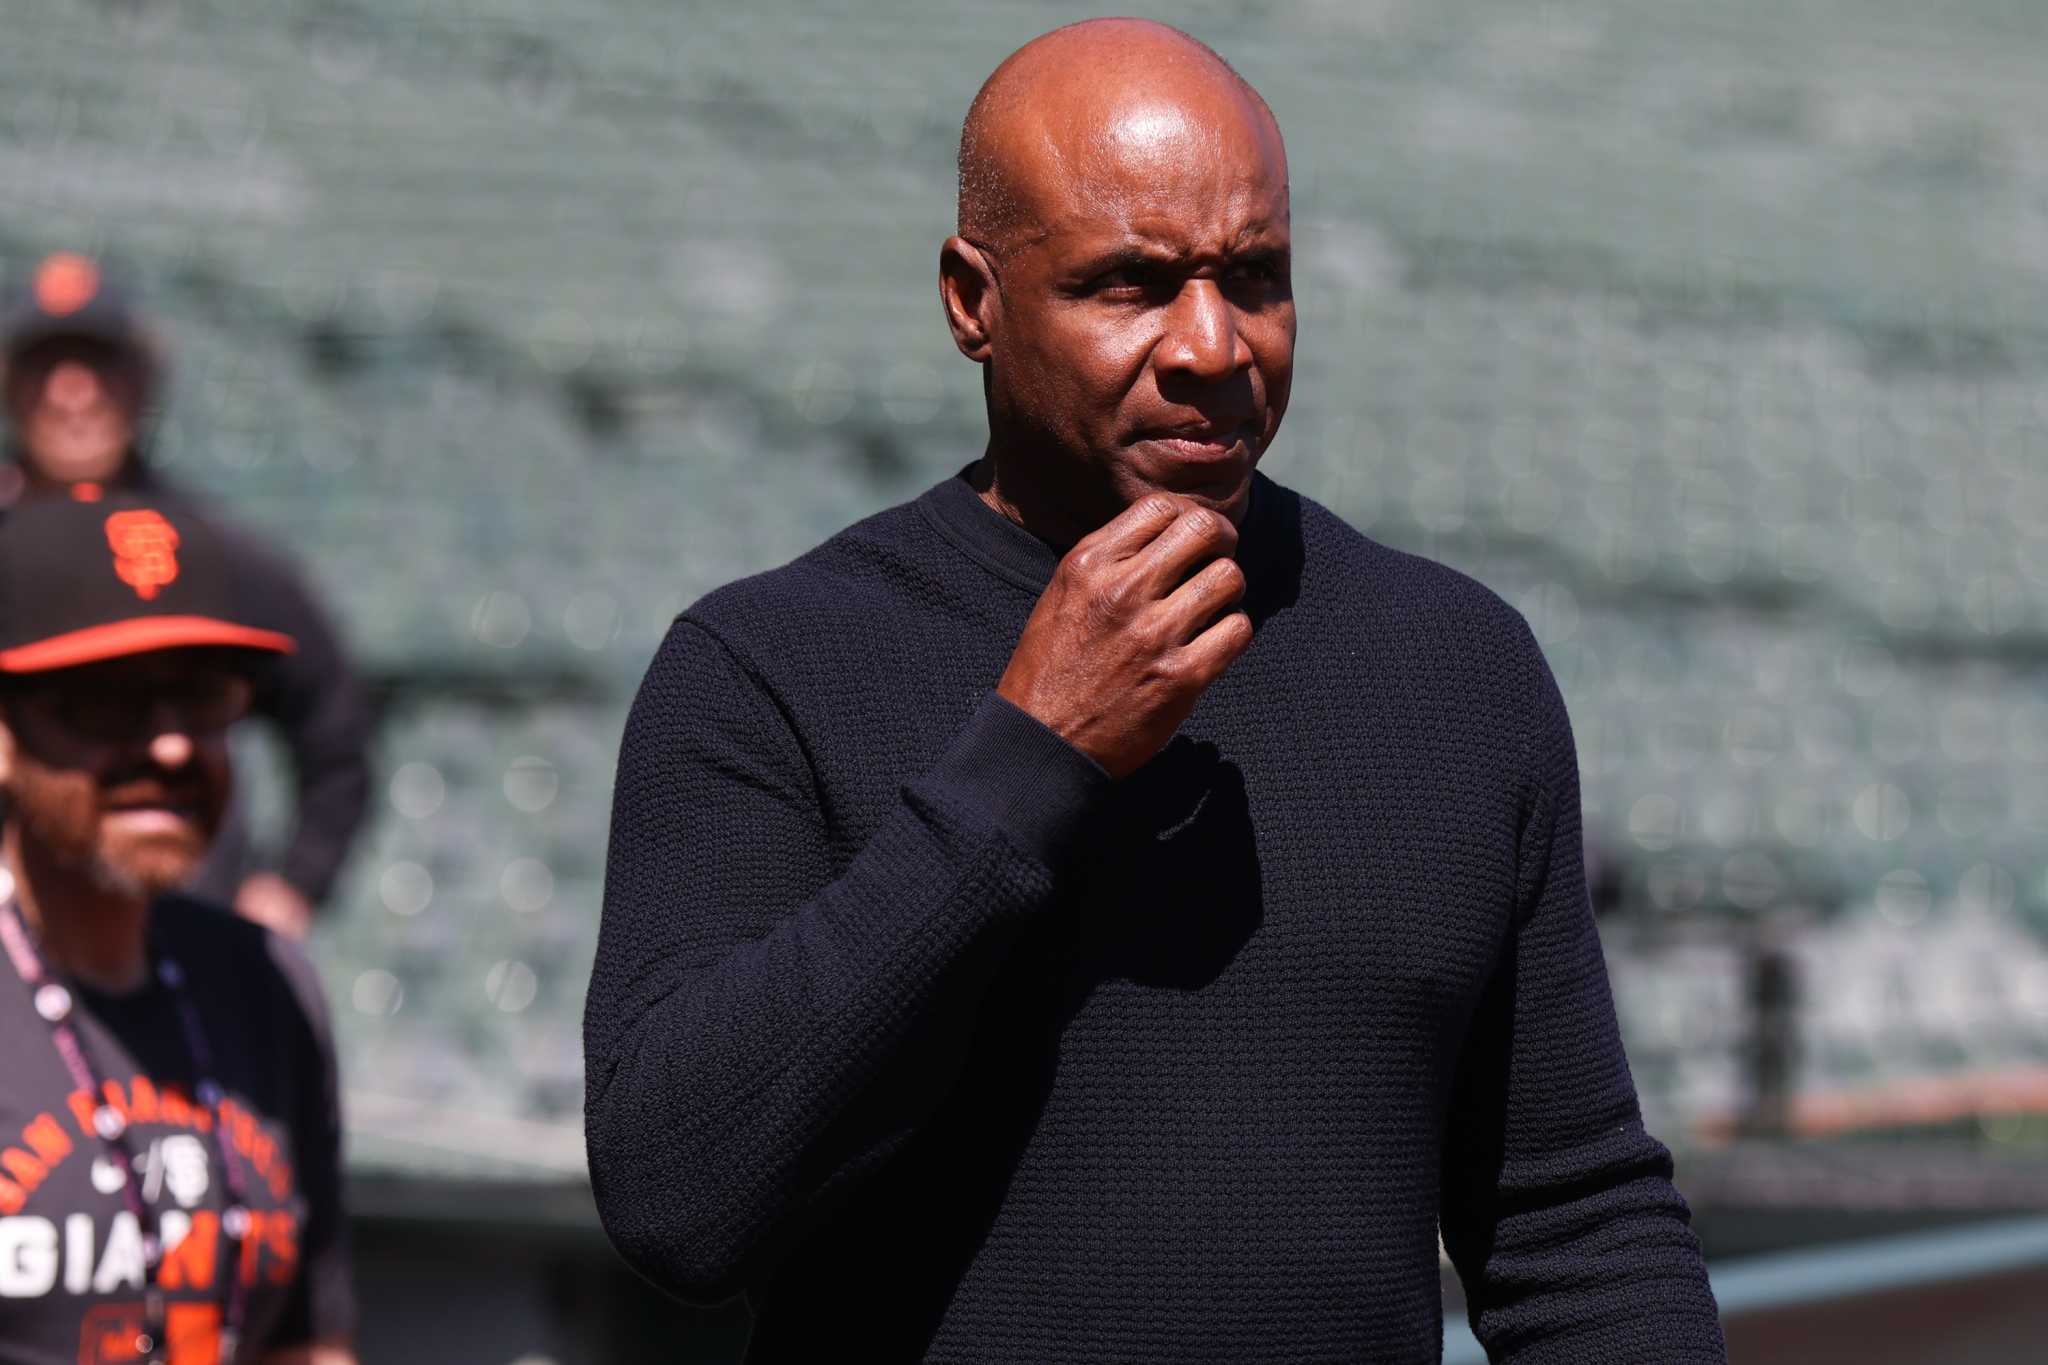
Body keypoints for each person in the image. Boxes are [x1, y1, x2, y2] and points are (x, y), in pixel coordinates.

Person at [585, 18, 1725, 1363]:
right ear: (971, 302)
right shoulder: (767, 667)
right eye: (1130, 285)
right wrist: (1027, 759)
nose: (1211, 345)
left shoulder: (1455, 667)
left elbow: (1574, 1228)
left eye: (1255, 277)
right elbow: (678, 1201)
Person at [0, 490, 357, 1364]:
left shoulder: (266, 980)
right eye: (106, 701)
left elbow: (308, 1340)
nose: (170, 747)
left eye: (203, 697)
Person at [0, 252, 372, 939]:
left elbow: (333, 726)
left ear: (141, 381)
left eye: (99, 363)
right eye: (46, 364)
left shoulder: (203, 551)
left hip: (180, 928)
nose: (73, 391)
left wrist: (295, 882)